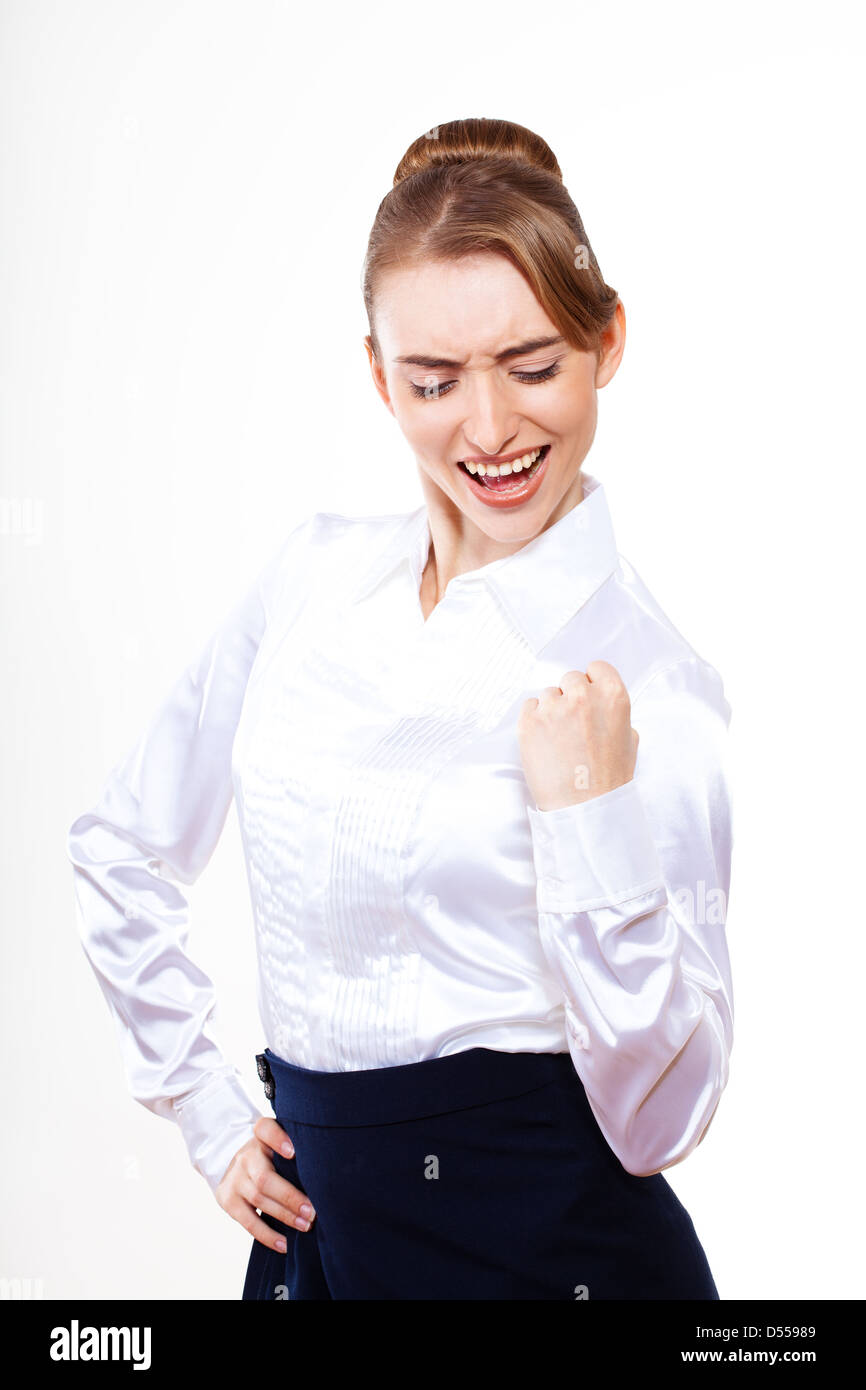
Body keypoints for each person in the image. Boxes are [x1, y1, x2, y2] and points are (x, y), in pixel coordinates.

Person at [66, 117, 734, 1301]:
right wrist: (207, 1109)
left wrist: (588, 818)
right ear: (379, 377)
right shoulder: (310, 581)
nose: (488, 431)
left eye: (533, 366)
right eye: (432, 381)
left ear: (606, 341)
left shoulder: (648, 679)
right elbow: (120, 848)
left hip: (553, 1265)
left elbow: (659, 1122)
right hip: (320, 1251)